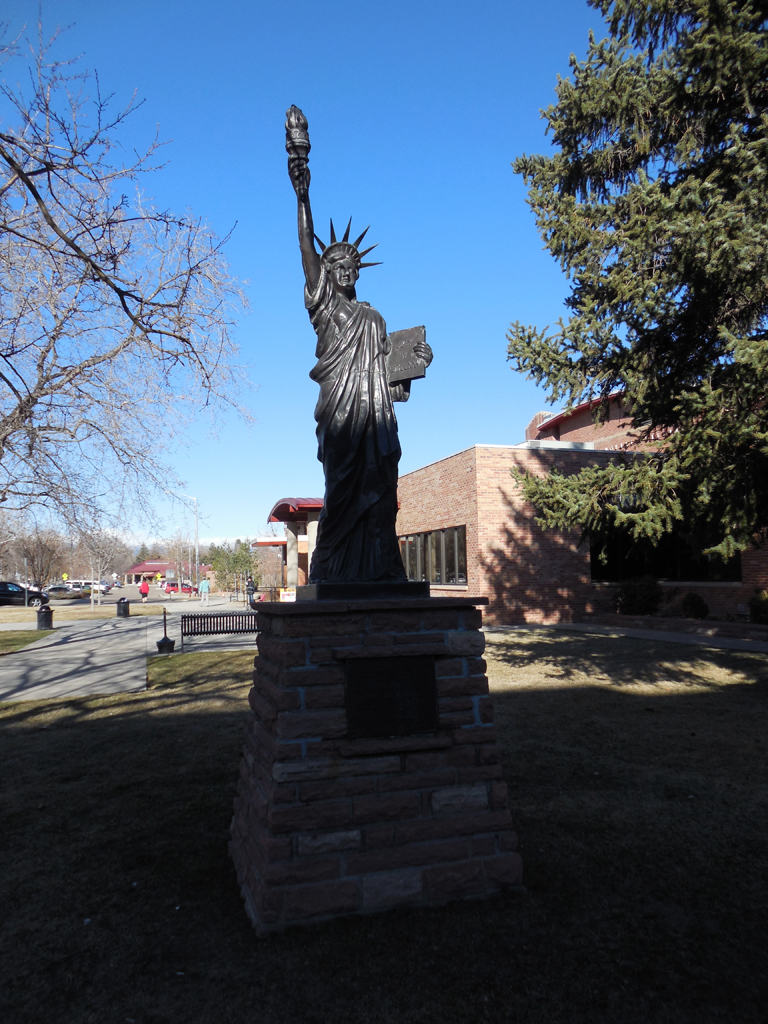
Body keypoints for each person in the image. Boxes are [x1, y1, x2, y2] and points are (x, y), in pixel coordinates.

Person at [288, 141, 431, 583]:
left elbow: (390, 381)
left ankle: (384, 573)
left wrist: (417, 363)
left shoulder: (374, 318)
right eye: (336, 264)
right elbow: (305, 248)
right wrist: (302, 193)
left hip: (376, 419)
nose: (344, 269)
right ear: (326, 276)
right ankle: (328, 574)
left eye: (351, 264)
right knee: (342, 491)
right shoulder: (325, 307)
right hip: (341, 417)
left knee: (382, 498)